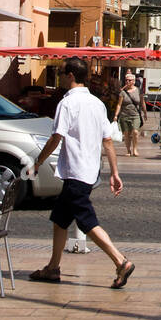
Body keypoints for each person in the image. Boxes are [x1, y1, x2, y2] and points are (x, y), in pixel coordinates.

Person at [28, 59, 134, 289]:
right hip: (88, 171)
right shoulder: (97, 104)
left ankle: (120, 261)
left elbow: (57, 137)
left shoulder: (67, 104)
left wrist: (38, 162)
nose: (59, 76)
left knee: (87, 222)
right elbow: (107, 141)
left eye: (61, 72)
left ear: (70, 75)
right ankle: (53, 268)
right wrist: (115, 173)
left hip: (75, 172)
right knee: (60, 220)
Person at [113, 73, 144, 157]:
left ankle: (135, 149)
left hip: (135, 115)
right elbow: (119, 105)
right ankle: (128, 150)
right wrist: (116, 115)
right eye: (126, 80)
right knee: (126, 134)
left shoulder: (138, 90)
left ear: (133, 81)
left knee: (135, 131)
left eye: (129, 80)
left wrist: (145, 112)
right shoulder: (123, 92)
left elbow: (142, 102)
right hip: (124, 115)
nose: (127, 81)